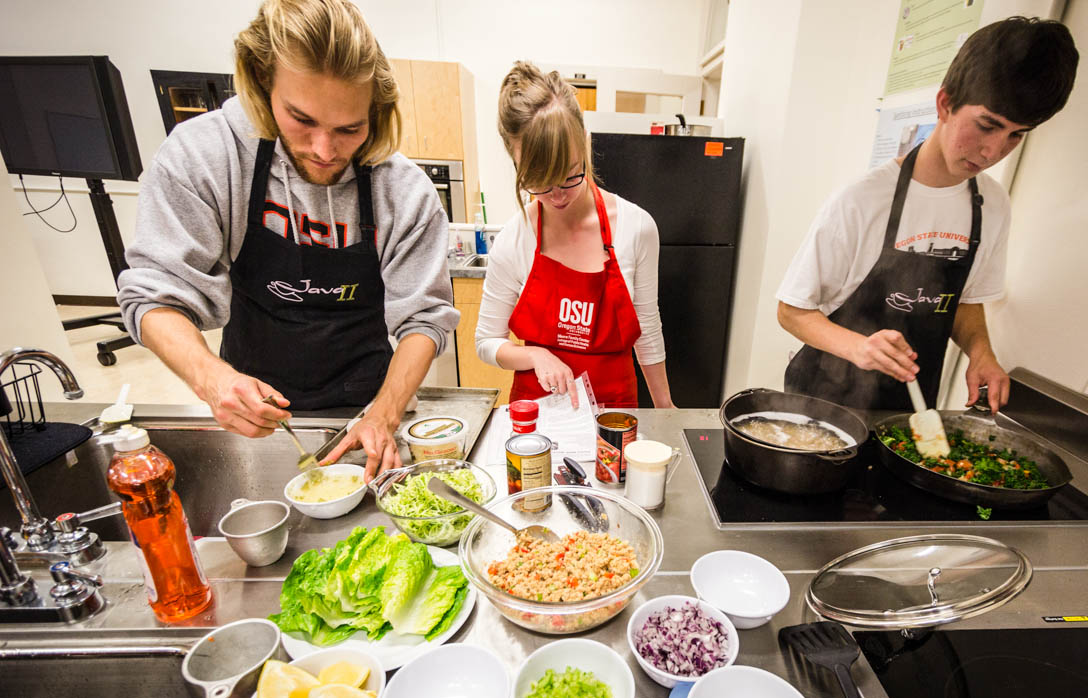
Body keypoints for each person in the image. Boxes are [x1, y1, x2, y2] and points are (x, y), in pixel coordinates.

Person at [116, 0, 458, 479]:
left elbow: (424, 318)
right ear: (262, 84)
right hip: (252, 417)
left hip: (368, 407)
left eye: (349, 128)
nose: (324, 150)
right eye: (301, 119)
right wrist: (213, 380)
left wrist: (384, 413)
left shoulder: (403, 192)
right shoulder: (205, 157)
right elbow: (154, 295)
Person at [777, 17, 1078, 413]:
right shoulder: (861, 200)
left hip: (912, 415)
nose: (994, 152)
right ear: (945, 104)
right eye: (987, 126)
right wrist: (860, 347)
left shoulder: (992, 205)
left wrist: (981, 351)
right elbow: (792, 311)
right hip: (821, 401)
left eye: (1016, 136)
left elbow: (964, 301)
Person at [475, 61, 674, 409]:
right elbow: (486, 341)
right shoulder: (514, 240)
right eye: (538, 181)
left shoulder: (636, 228)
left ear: (586, 142)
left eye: (569, 175)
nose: (557, 196)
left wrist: (665, 409)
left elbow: (647, 329)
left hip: (615, 417)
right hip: (537, 422)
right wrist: (535, 356)